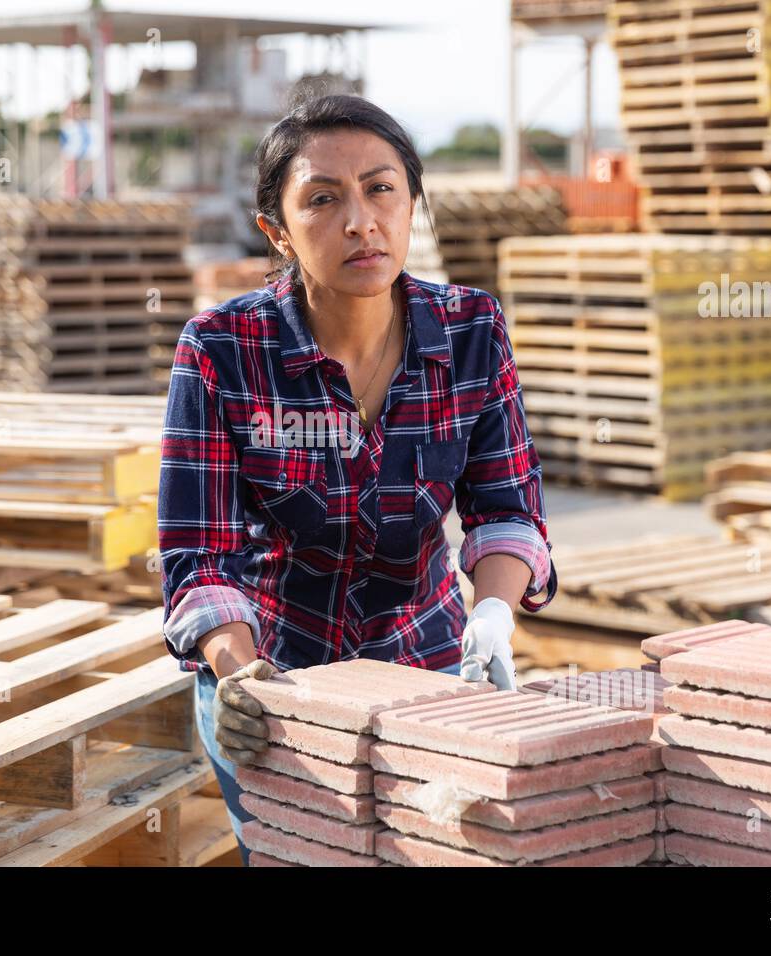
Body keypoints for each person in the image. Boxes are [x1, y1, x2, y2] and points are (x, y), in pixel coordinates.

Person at [157, 94, 556, 864]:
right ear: (276, 230)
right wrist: (242, 679)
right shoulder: (221, 349)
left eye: (381, 190)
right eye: (322, 199)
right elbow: (198, 556)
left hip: (428, 666)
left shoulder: (471, 331)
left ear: (413, 206)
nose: (360, 221)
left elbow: (506, 507)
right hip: (271, 684)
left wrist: (495, 618)